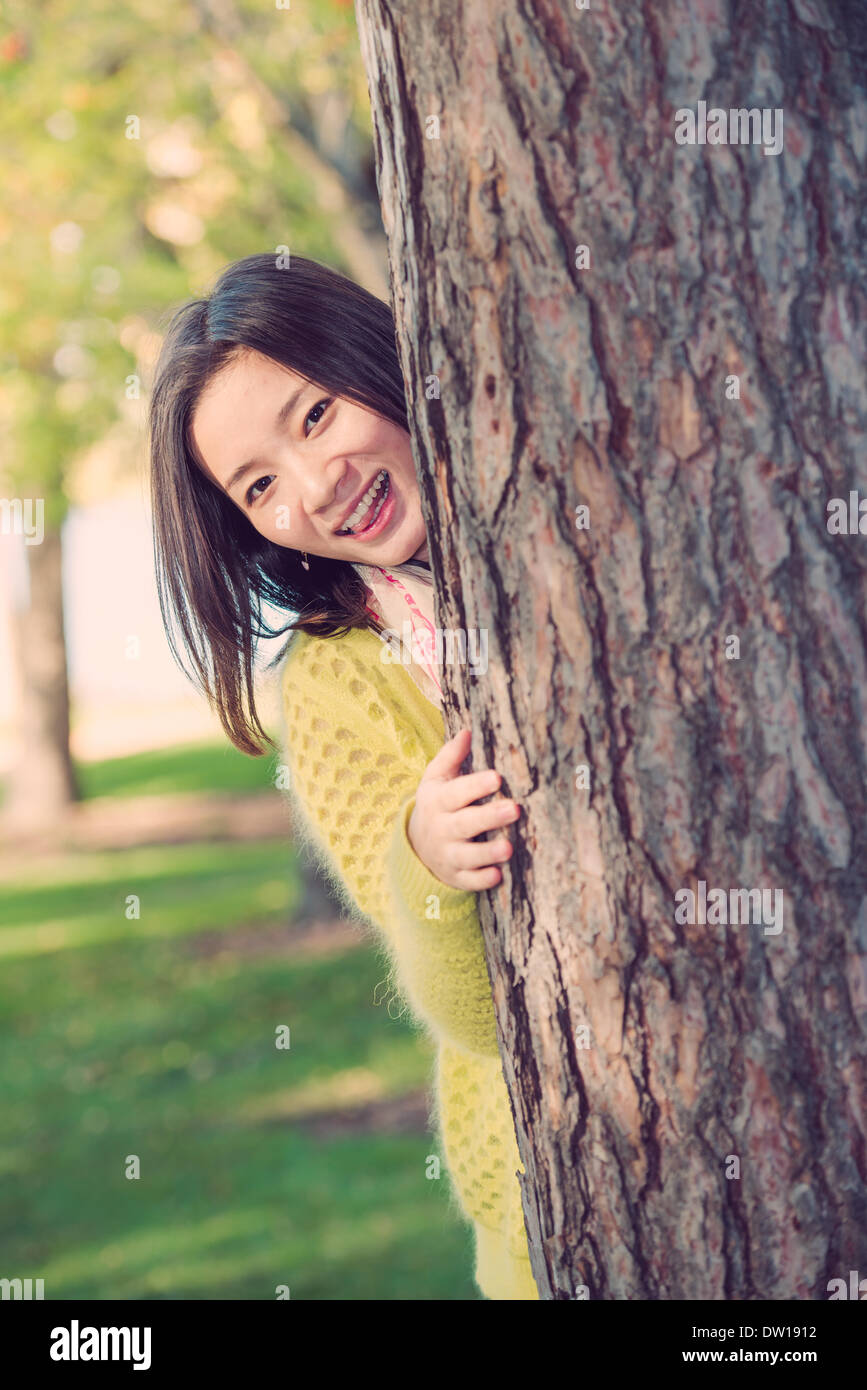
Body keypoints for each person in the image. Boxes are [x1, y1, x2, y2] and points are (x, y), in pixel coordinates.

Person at [148, 252, 538, 1300]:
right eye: (260, 485)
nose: (317, 486)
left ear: (372, 358)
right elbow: (475, 1019)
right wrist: (425, 862)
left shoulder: (558, 514)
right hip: (551, 1194)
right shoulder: (336, 689)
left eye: (315, 415)